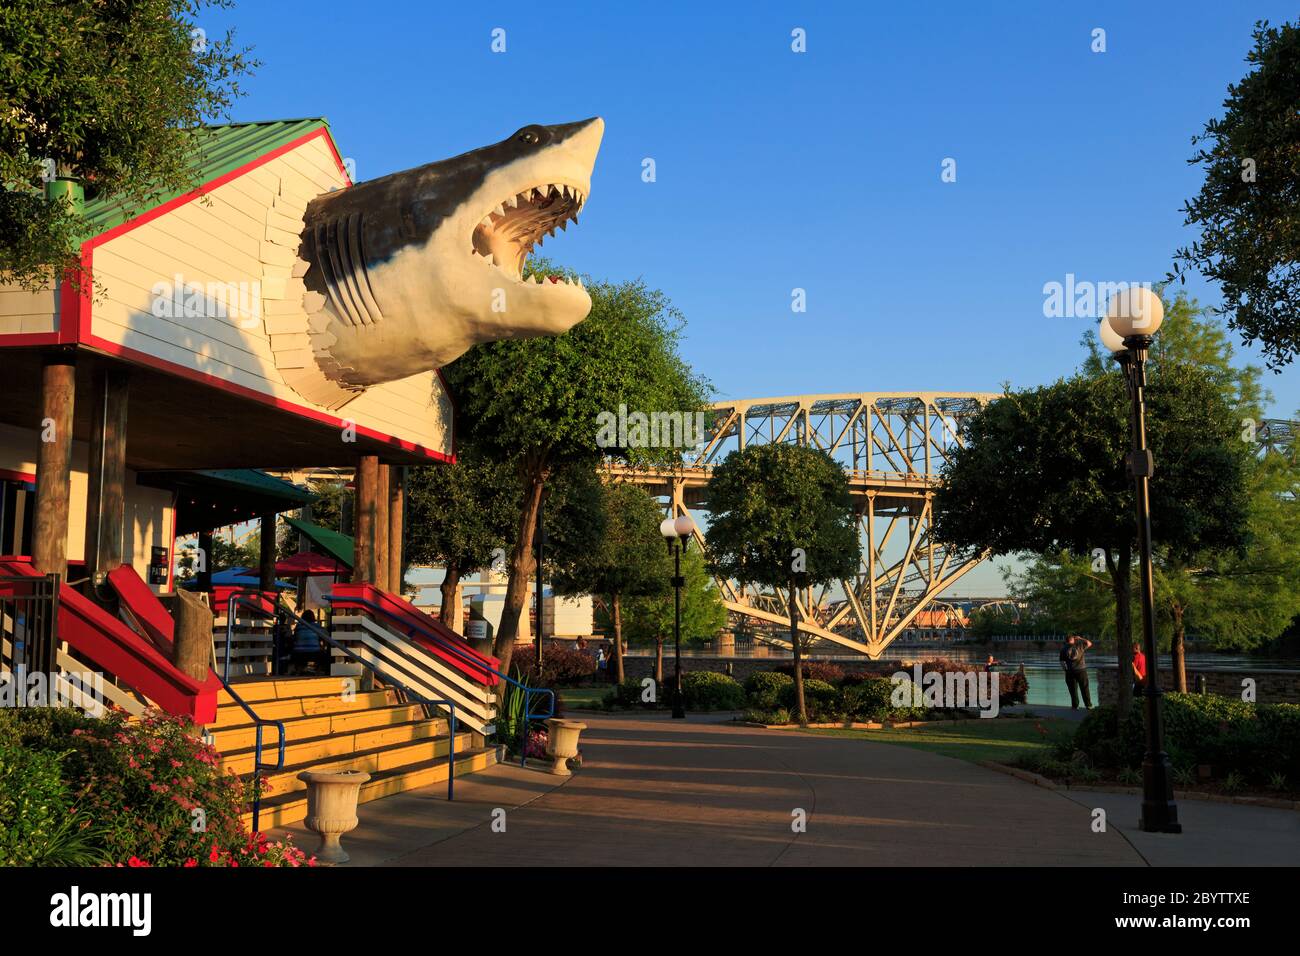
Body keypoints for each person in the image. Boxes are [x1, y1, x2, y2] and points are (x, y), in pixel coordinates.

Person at [1059, 634, 1093, 710]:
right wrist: (1081, 638)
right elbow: (1089, 643)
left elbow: (1062, 663)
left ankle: (1075, 706)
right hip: (1081, 670)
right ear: (1073, 640)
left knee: (1073, 689)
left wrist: (1066, 670)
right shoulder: (1079, 645)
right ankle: (1088, 705)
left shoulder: (1063, 649)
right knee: (1084, 688)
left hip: (1070, 671)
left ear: (1066, 641)